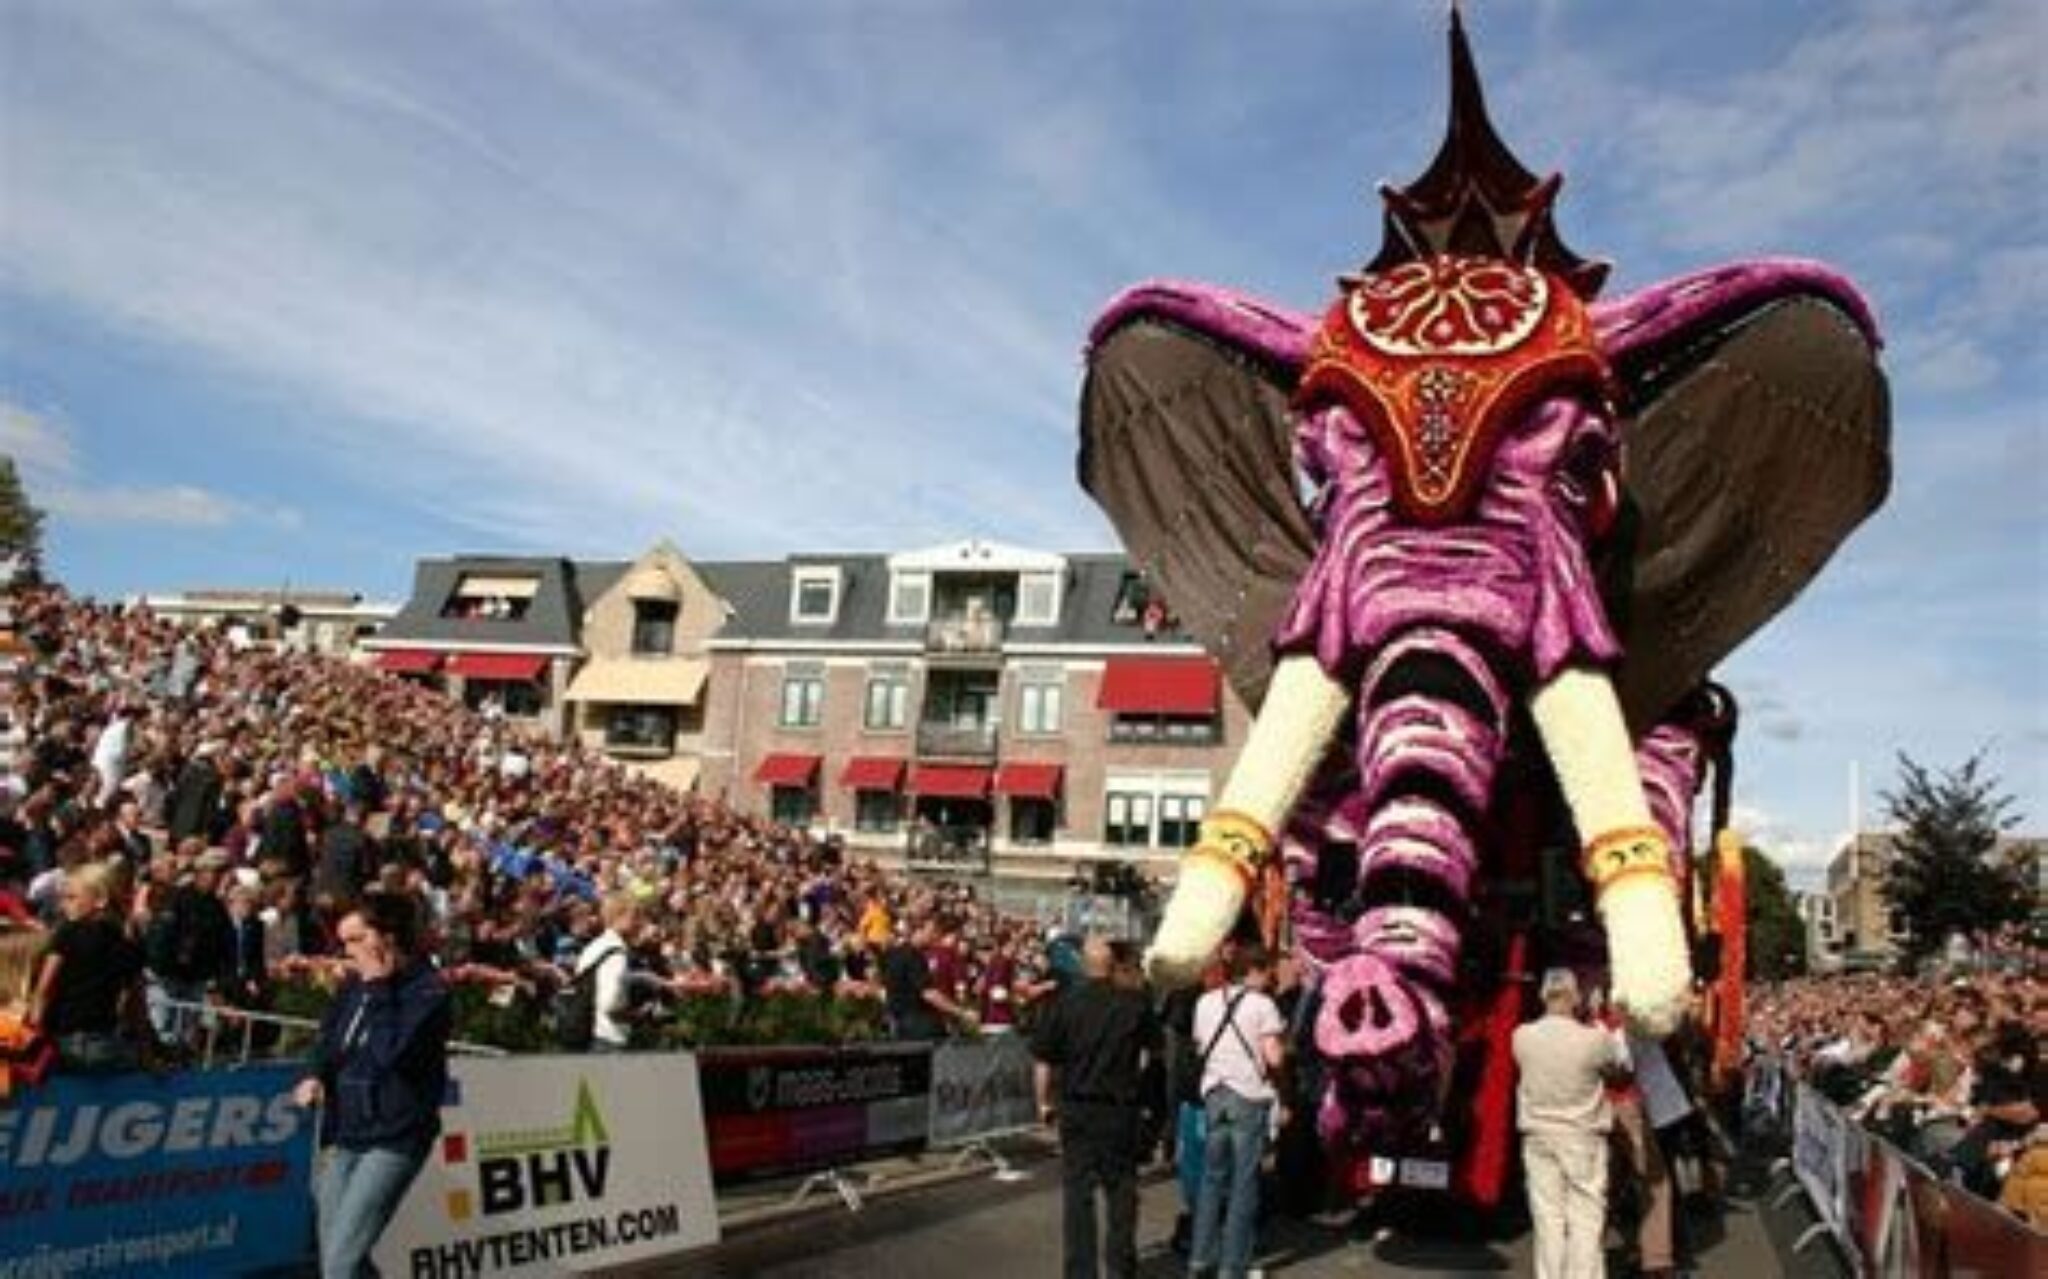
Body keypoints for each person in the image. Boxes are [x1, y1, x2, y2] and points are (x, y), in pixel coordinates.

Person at [293, 892, 452, 1279]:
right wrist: (314, 1073)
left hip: (394, 1137)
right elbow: (328, 1038)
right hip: (345, 1132)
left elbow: (390, 1054)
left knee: (340, 1263)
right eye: (342, 942)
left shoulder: (427, 991)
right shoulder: (353, 987)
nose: (347, 951)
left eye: (355, 939)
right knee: (339, 1252)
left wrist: (380, 988)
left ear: (387, 938)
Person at [1030, 936, 1159, 1279]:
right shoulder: (1134, 1003)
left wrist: (1043, 1103)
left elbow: (1043, 1060)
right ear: (1112, 965)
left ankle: (1080, 1271)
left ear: (1084, 964)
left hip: (1076, 1105)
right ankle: (1120, 1266)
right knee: (1121, 1191)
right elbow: (1152, 1053)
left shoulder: (1064, 1003)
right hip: (1119, 1106)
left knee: (1078, 1194)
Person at [1513, 967, 1627, 1279]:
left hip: (1537, 1134)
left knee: (1547, 1219)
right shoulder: (1594, 1039)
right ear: (1575, 997)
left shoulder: (1522, 1036)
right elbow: (1617, 1070)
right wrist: (1594, 1015)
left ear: (1543, 995)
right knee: (1586, 1219)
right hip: (1581, 1135)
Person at [1188, 942, 1287, 1279]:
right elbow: (1274, 1058)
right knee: (1245, 1183)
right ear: (1255, 971)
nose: (1272, 977)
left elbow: (1200, 1045)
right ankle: (1233, 1266)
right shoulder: (1263, 1005)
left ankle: (1200, 1258)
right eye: (1268, 971)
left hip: (1214, 1092)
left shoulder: (1205, 1001)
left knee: (1212, 1179)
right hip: (1248, 1094)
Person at [27, 861, 147, 1071]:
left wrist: (33, 1037)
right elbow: (136, 1004)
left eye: (72, 898)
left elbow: (44, 990)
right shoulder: (128, 946)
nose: (63, 905)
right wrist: (147, 1049)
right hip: (107, 1045)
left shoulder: (68, 932)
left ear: (100, 900)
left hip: (66, 1044)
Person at [577, 892, 639, 1053]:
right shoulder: (616, 954)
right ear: (619, 917)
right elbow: (610, 1004)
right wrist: (636, 1014)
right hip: (612, 1038)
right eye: (635, 917)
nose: (639, 923)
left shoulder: (593, 947)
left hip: (591, 1034)